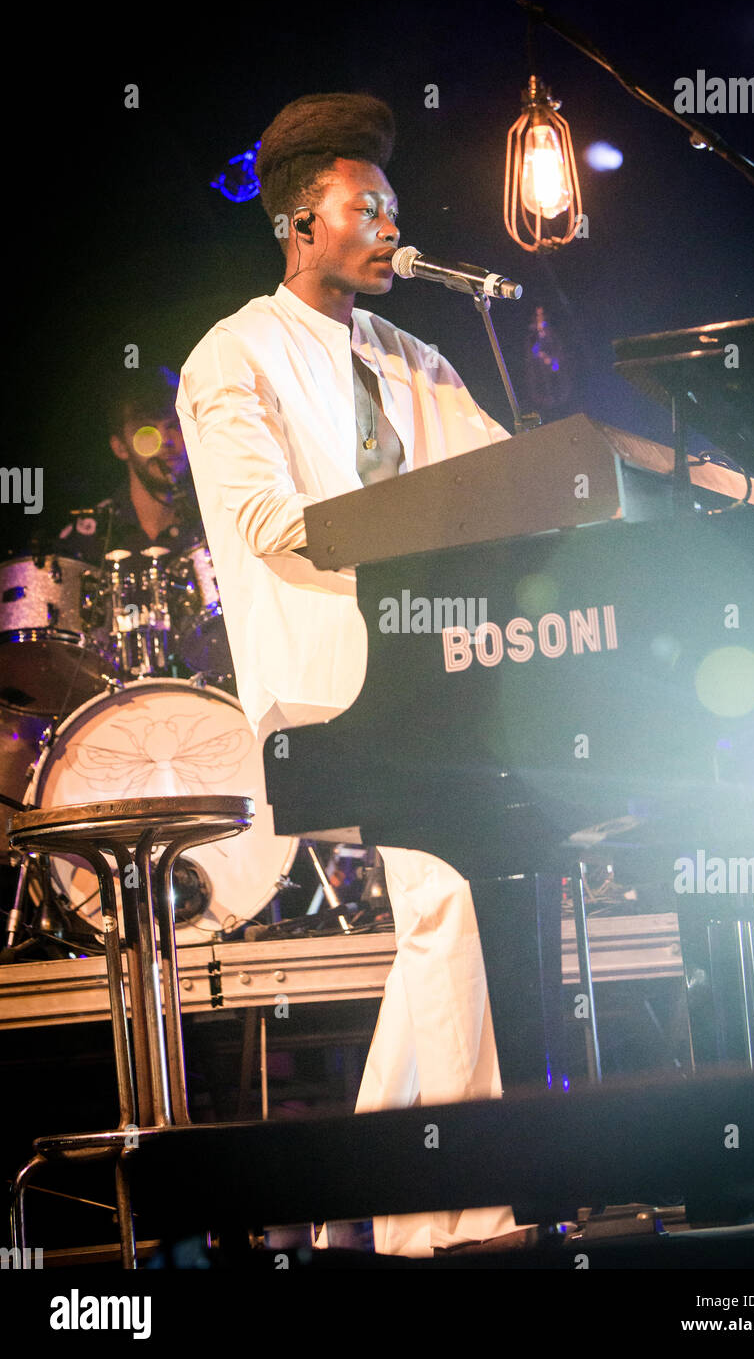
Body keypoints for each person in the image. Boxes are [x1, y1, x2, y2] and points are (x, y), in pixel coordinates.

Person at [176, 93, 523, 1257]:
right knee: (450, 898)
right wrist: (430, 527)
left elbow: (503, 478)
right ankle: (463, 1215)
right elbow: (272, 521)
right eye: (363, 207)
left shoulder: (414, 356)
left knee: (450, 905)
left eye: (392, 207)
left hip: (432, 675)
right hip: (331, 684)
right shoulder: (234, 355)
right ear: (297, 221)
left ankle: (364, 1212)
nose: (388, 227)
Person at [57, 365, 201, 567]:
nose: (165, 440)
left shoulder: (219, 517)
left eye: (174, 425)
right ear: (120, 447)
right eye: (146, 431)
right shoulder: (86, 537)